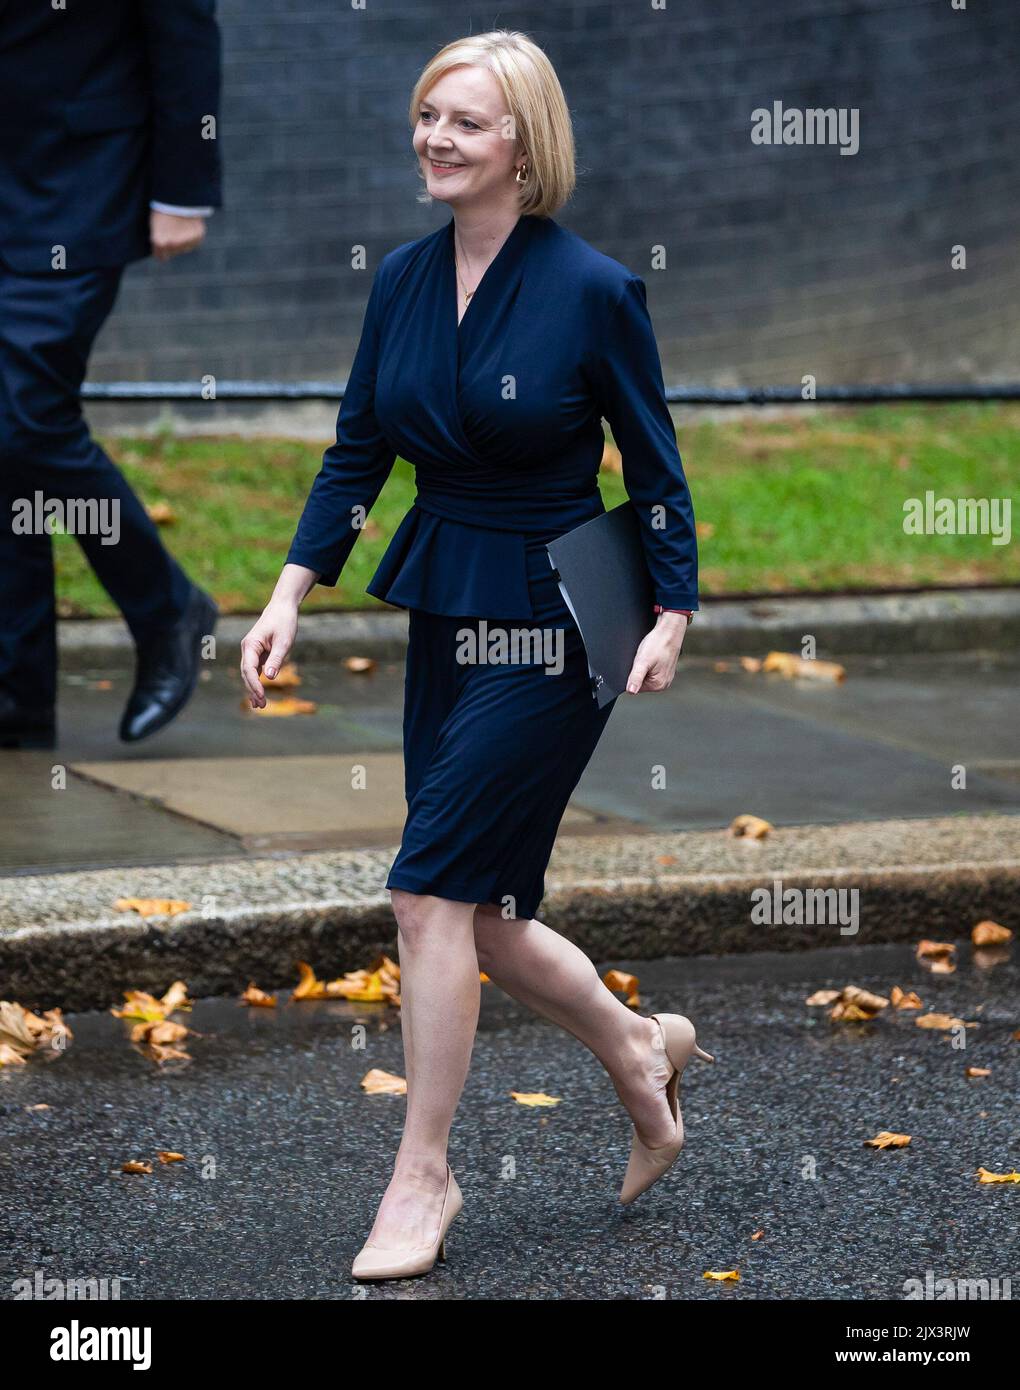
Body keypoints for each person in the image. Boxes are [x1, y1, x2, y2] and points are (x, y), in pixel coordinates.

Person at [240, 30, 713, 1282]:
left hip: (560, 620)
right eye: (428, 116)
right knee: (487, 917)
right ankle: (637, 1049)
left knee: (424, 891)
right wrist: (290, 591)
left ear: (526, 145)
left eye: (468, 123)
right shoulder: (400, 278)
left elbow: (658, 474)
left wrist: (672, 614)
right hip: (445, 605)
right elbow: (358, 455)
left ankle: (423, 1175)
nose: (437, 139)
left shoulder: (595, 289)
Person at [0, 0, 223, 749]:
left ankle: (168, 610)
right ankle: (16, 698)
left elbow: (184, 25)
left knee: (30, 416)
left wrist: (183, 189)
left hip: (77, 180)